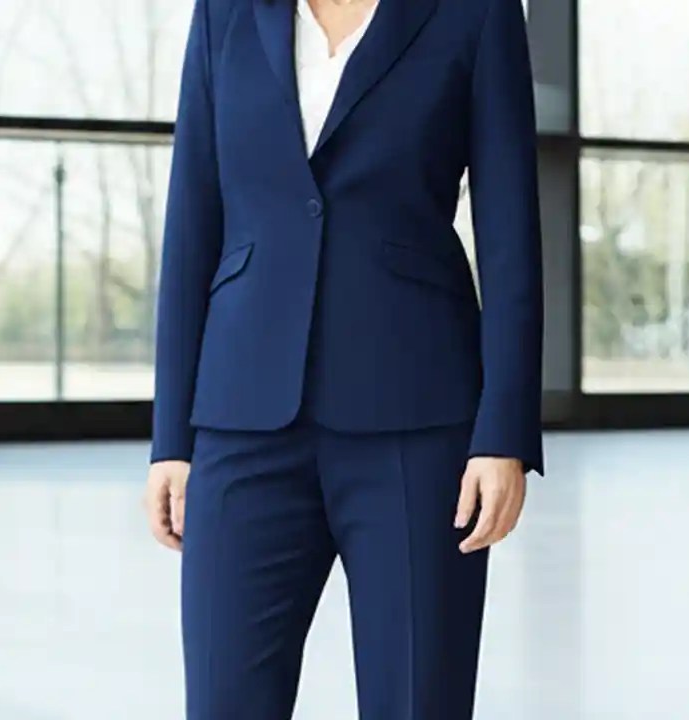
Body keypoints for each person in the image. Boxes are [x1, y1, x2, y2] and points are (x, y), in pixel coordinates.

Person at [145, 0, 543, 716]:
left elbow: (511, 235)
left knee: (418, 701)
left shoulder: (473, 15)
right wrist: (171, 437)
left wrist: (504, 432)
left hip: (417, 422)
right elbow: (192, 224)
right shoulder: (224, 16)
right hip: (243, 421)